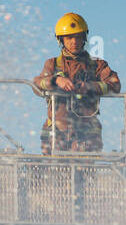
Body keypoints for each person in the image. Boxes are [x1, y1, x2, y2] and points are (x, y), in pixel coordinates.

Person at [33, 12, 120, 154]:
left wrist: (90, 87)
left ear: (84, 38)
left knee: (84, 171)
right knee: (54, 172)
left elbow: (115, 84)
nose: (74, 42)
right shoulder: (53, 64)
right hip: (57, 132)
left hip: (87, 132)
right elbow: (37, 84)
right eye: (69, 38)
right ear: (60, 40)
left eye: (78, 37)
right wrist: (56, 80)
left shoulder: (97, 65)